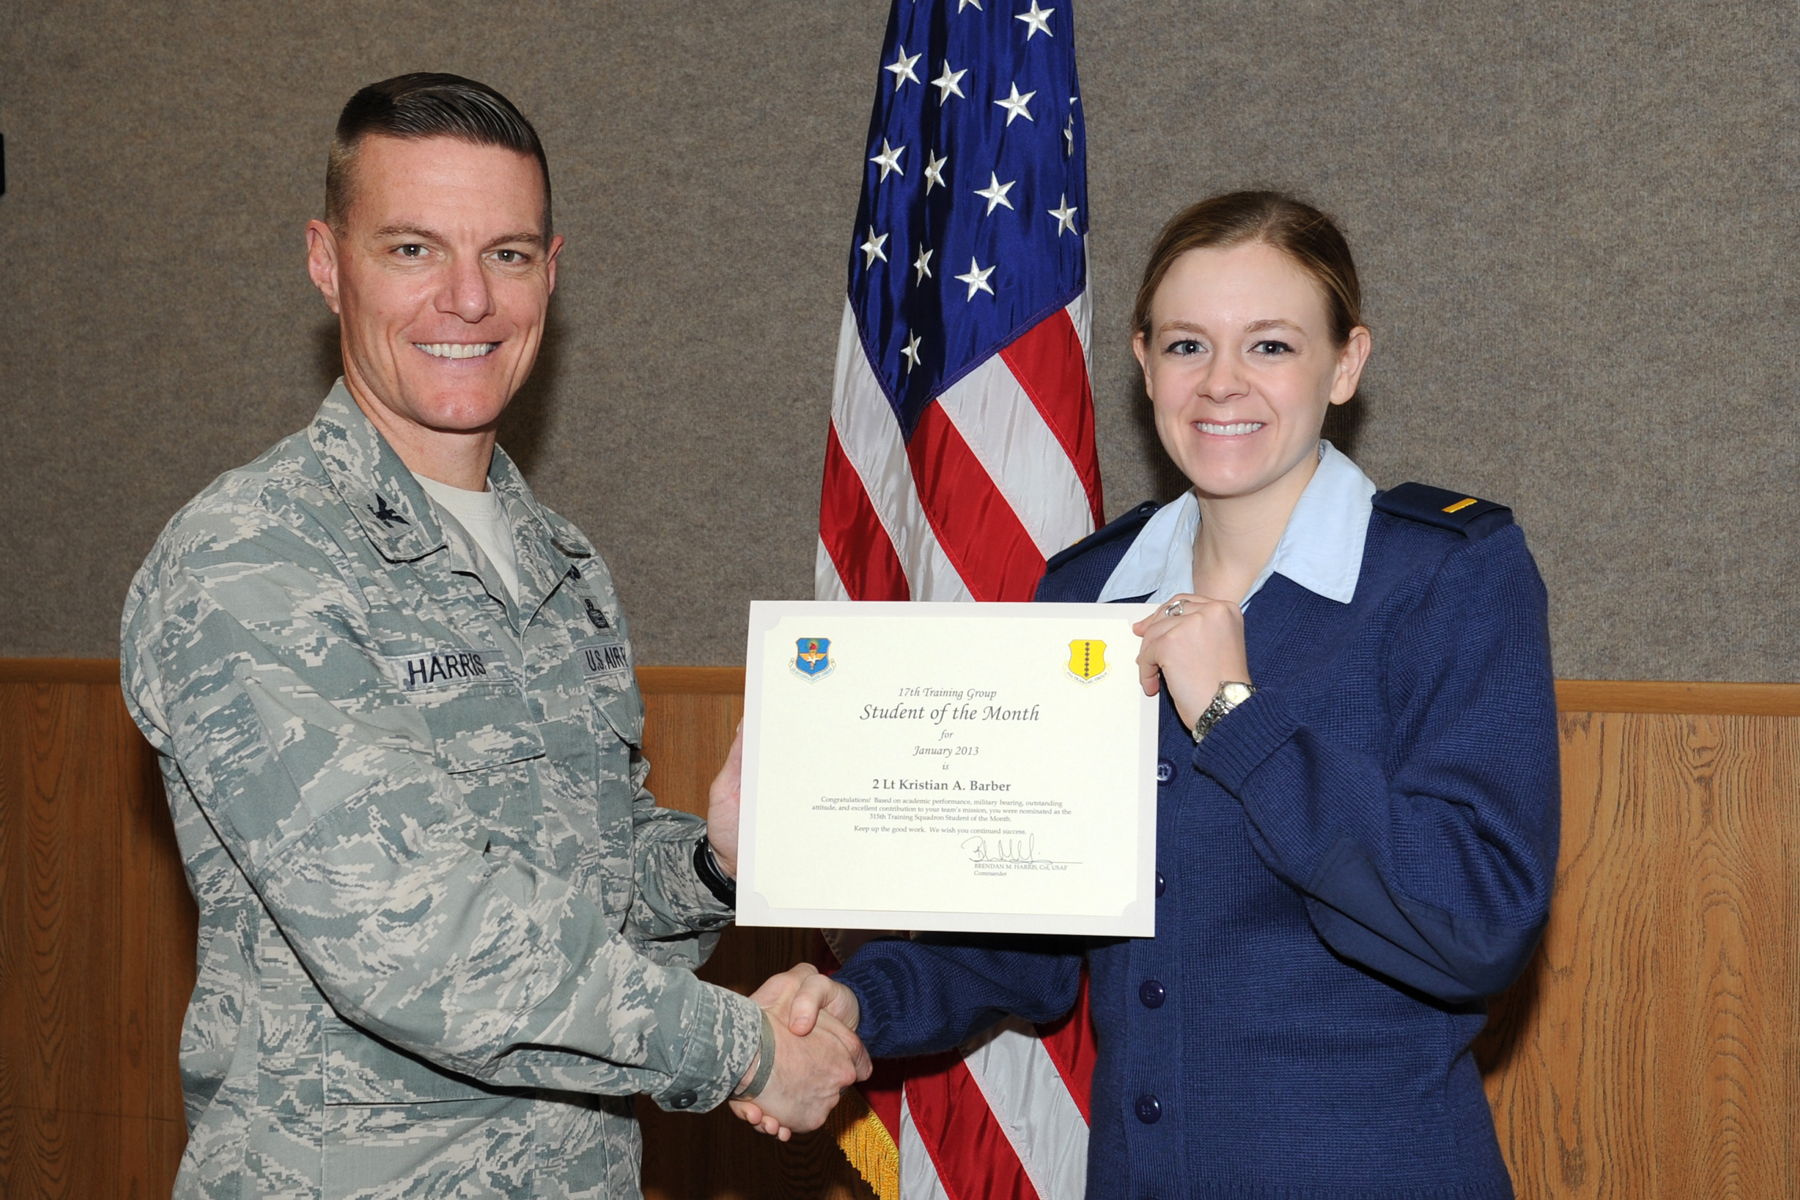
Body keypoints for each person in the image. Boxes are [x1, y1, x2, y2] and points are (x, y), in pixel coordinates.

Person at [120, 73, 865, 1200]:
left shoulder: (558, 560)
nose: (465, 300)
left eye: (507, 255)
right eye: (413, 249)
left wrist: (714, 861)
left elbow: (589, 893)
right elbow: (422, 943)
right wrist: (750, 1049)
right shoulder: (253, 560)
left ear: (550, 276)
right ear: (327, 263)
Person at [741, 191, 1561, 1198]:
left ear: (1345, 364)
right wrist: (857, 1005)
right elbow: (1025, 935)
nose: (1222, 384)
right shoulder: (1088, 592)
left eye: (1270, 346)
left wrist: (1234, 717)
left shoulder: (1445, 578)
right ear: (1140, 362)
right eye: (1186, 346)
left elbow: (1477, 925)